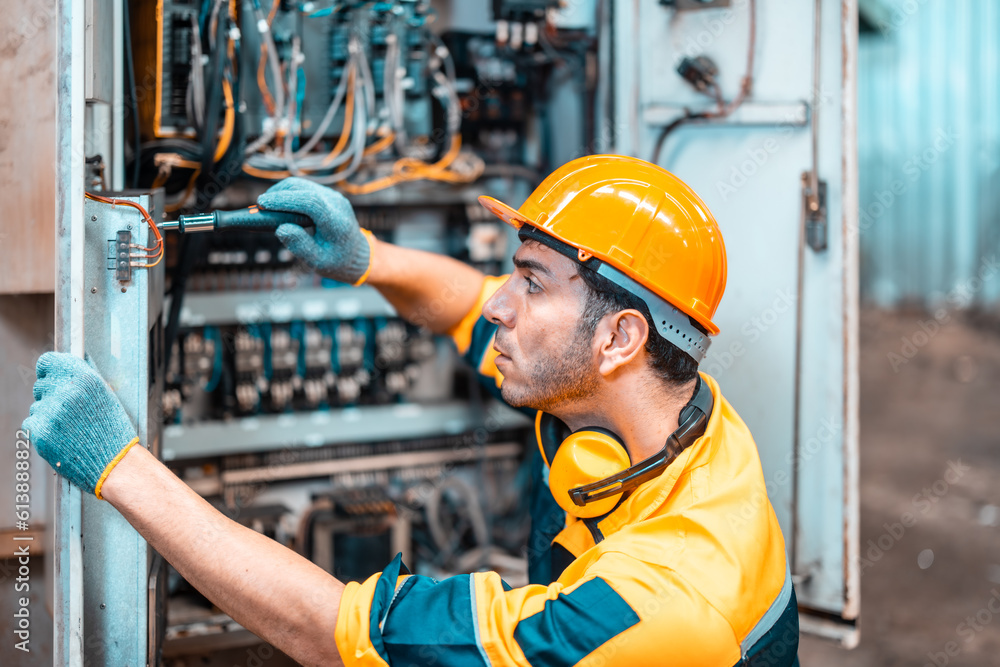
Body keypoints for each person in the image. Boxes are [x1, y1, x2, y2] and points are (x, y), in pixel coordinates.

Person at [25, 155, 798, 666]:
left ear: (621, 335)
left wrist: (120, 467)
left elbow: (332, 631)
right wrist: (366, 257)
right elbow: (464, 300)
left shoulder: (656, 607)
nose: (499, 300)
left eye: (530, 282)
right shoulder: (664, 410)